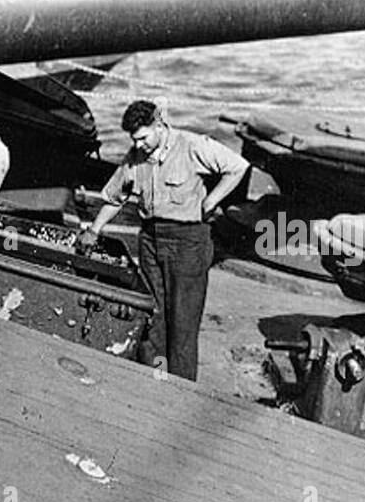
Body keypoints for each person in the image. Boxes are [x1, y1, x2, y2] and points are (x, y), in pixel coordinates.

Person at [81, 100, 248, 382]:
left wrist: (212, 200)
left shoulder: (192, 146)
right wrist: (94, 230)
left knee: (182, 323)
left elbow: (237, 167)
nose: (140, 145)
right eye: (134, 140)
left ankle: (181, 389)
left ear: (159, 126)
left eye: (144, 137)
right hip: (150, 239)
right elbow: (114, 197)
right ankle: (156, 380)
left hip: (188, 242)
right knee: (152, 316)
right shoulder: (135, 155)